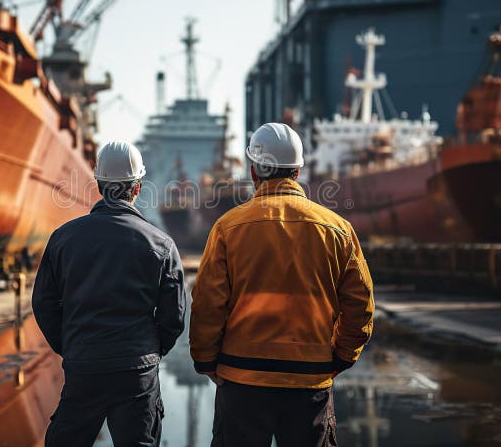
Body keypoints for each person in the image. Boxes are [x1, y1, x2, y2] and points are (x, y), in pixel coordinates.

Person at [190, 122, 374, 447]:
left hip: (241, 381)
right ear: (298, 170)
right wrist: (341, 357)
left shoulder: (227, 228)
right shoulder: (338, 230)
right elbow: (360, 306)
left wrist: (206, 361)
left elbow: (207, 304)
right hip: (310, 382)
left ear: (253, 171)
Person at [33, 141, 186, 447]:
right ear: (138, 188)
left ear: (100, 185)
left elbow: (43, 303)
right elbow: (175, 317)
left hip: (83, 364)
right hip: (137, 371)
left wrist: (71, 345)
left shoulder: (63, 238)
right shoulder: (161, 244)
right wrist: (151, 349)